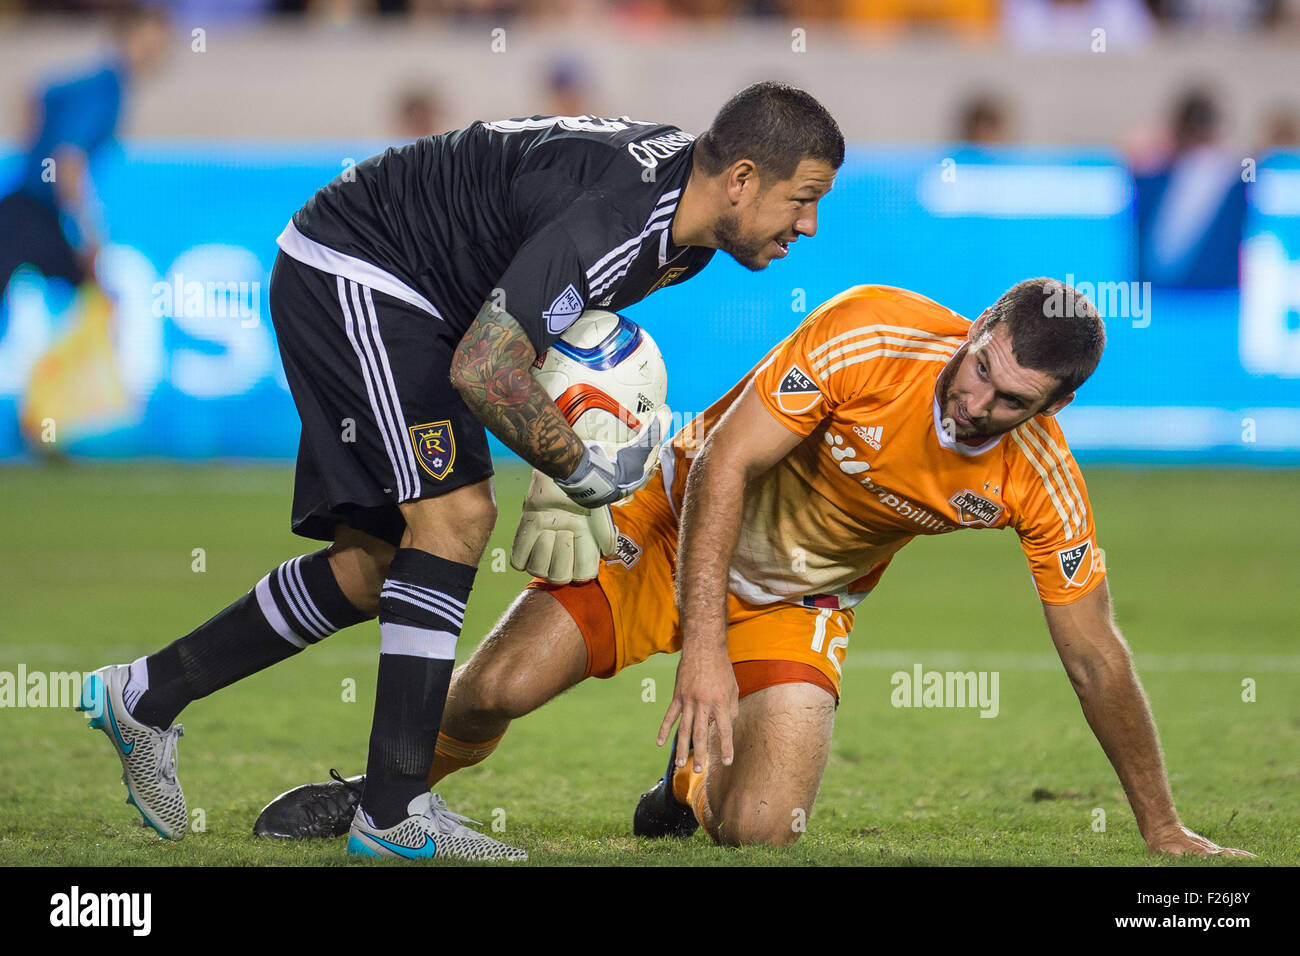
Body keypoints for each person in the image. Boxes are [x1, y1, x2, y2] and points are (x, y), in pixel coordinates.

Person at [78, 82, 844, 861]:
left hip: (421, 294)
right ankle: (394, 811)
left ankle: (144, 695)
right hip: (365, 269)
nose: (808, 225)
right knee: (457, 518)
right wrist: (578, 473)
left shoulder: (683, 231)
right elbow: (486, 368)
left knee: (376, 568)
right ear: (742, 178)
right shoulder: (622, 218)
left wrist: (557, 471)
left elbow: (547, 320)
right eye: (803, 199)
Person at [256, 279, 1252, 859]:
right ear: (976, 327)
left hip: (799, 600)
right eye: (979, 364)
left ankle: (689, 785)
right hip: (674, 522)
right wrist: (702, 652)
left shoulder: (1039, 478)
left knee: (764, 828)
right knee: (493, 690)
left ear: (1051, 408)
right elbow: (728, 458)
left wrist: (1160, 825)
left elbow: (1093, 656)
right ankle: (380, 794)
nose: (976, 399)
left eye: (1009, 399)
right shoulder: (871, 333)